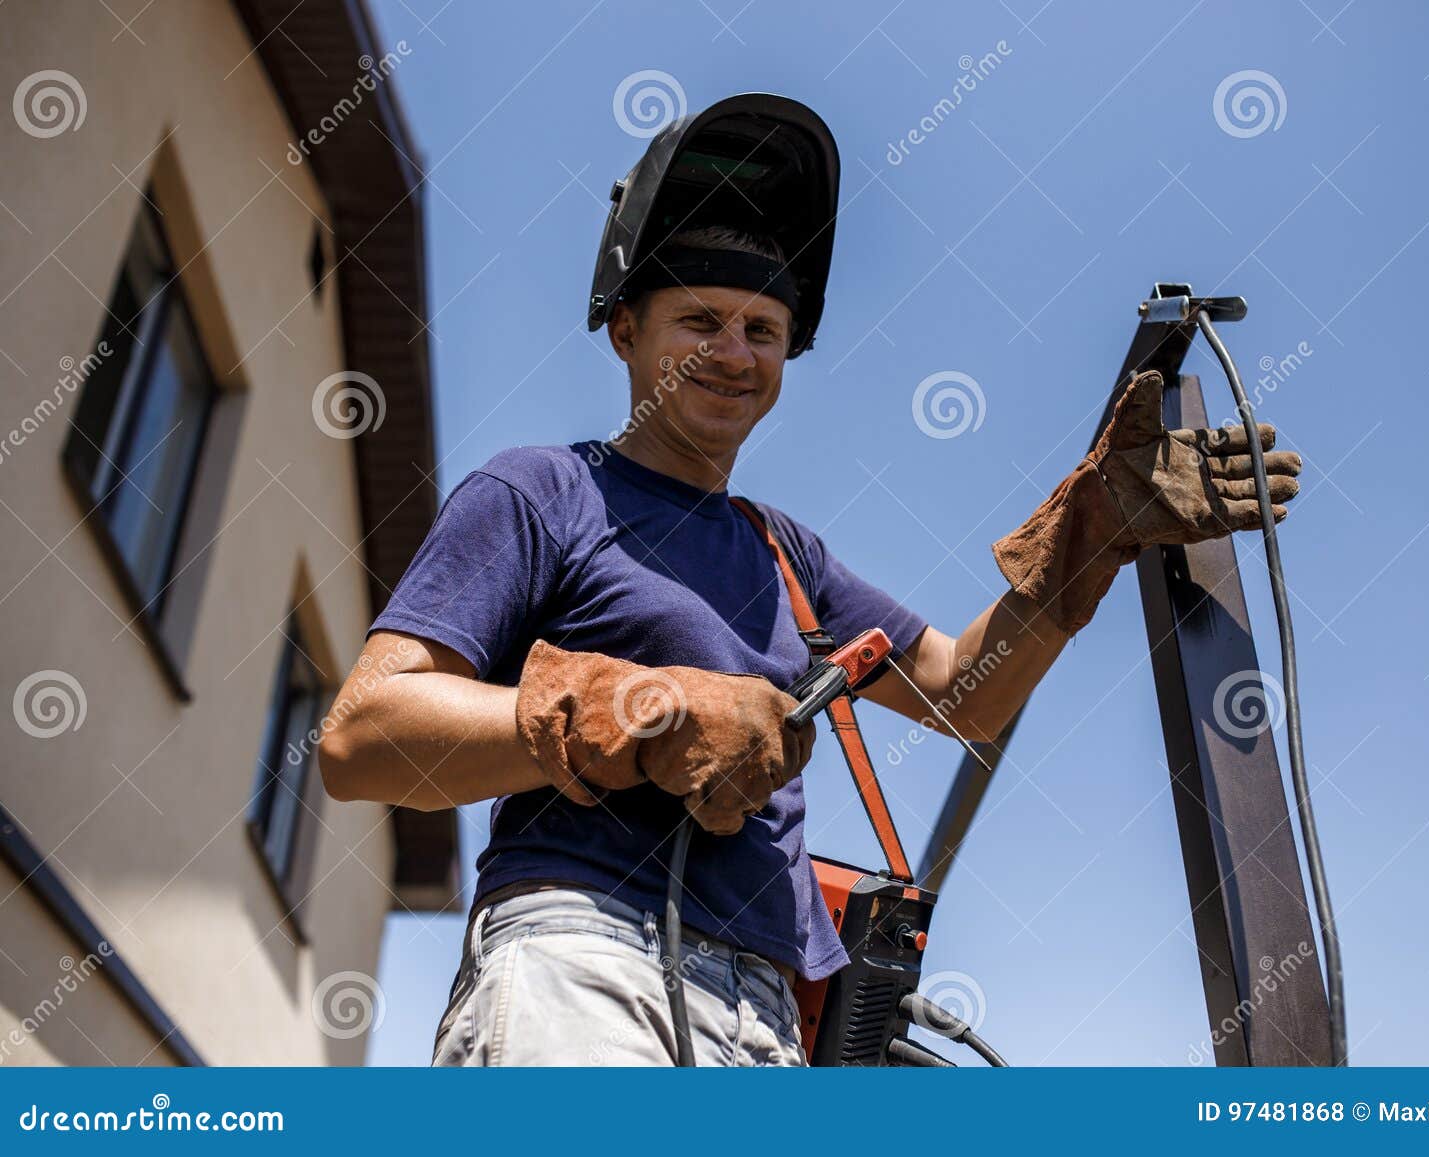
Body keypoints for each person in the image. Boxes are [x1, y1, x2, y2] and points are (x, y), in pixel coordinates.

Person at [317, 94, 1302, 1067]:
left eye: (763, 330)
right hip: (582, 953)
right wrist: (636, 706)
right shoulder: (543, 491)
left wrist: (1088, 539)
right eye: (699, 318)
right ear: (625, 331)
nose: (733, 352)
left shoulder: (788, 556)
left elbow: (966, 691)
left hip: (764, 1008)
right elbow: (363, 735)